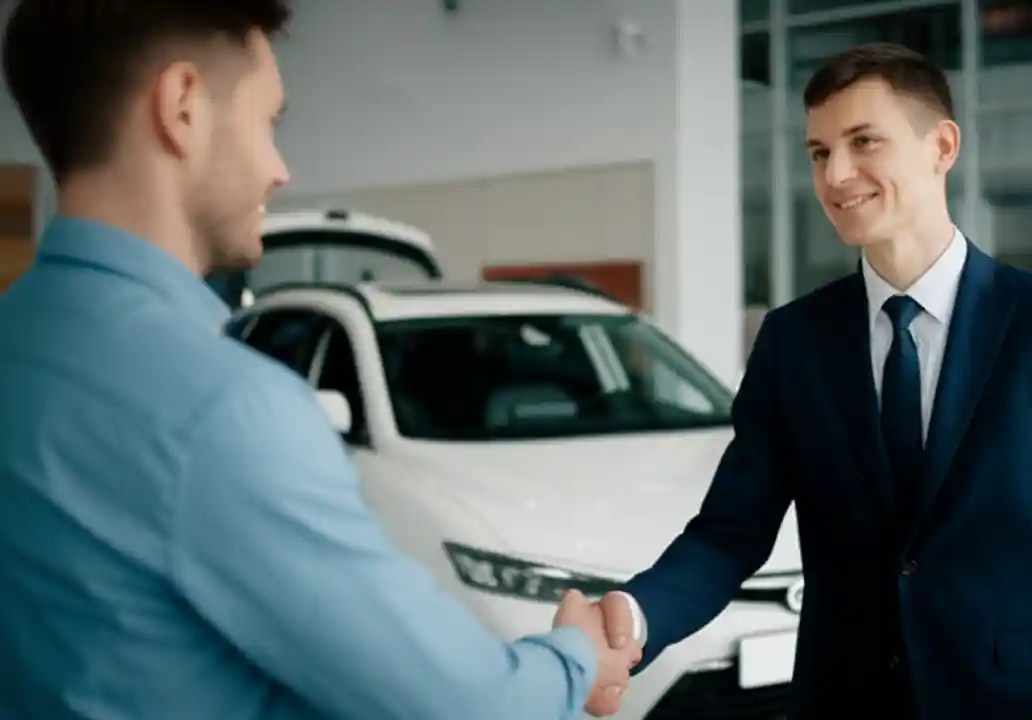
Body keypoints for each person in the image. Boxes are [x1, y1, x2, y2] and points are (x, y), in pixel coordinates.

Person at [0, 2, 637, 718]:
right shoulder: (227, 410)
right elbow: (463, 706)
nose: (279, 169)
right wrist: (577, 657)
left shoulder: (18, 341)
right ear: (181, 107)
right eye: (269, 121)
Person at [587, 43, 1032, 719]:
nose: (837, 174)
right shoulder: (793, 342)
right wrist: (632, 619)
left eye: (864, 141)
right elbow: (729, 534)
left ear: (942, 146)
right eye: (818, 152)